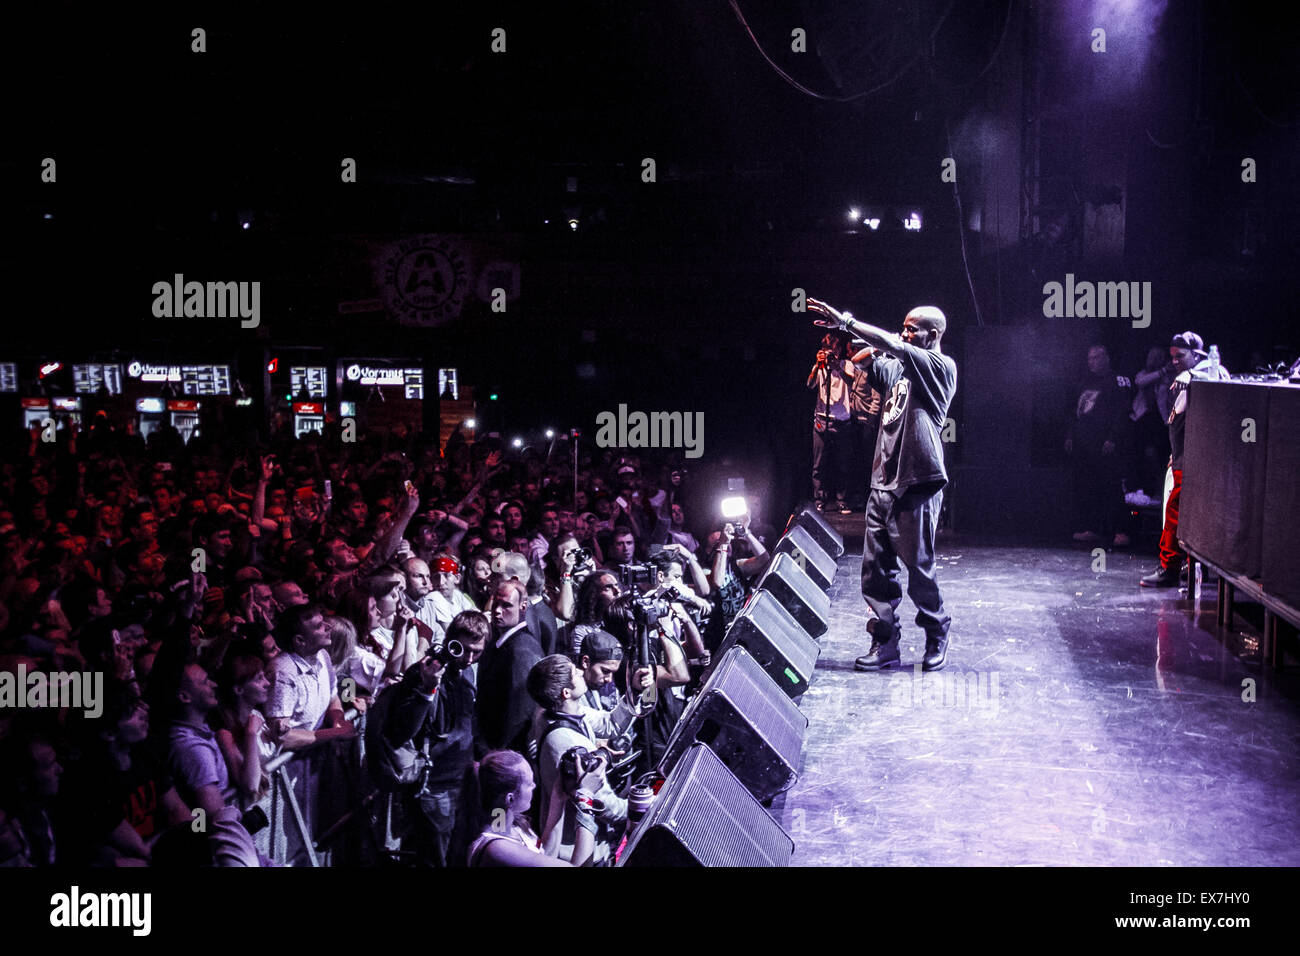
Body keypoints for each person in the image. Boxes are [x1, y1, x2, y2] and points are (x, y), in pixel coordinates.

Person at [807, 297, 958, 672]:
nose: (906, 332)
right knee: (876, 571)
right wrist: (847, 339)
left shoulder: (939, 367)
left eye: (913, 329)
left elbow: (892, 345)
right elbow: (865, 359)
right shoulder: (899, 370)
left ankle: (937, 631)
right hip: (883, 479)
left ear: (932, 334)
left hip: (917, 480)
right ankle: (885, 642)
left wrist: (847, 319)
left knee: (918, 566)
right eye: (904, 326)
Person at [374, 610, 488, 866]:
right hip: (432, 786)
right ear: (450, 641)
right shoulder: (421, 673)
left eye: (477, 651)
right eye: (464, 649)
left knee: (456, 854)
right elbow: (401, 731)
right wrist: (427, 690)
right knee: (434, 859)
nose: (469, 658)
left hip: (461, 780)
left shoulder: (466, 673)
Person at [526, 654, 648, 865]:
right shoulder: (565, 742)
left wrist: (634, 692)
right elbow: (604, 804)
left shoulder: (563, 712)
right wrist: (642, 810)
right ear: (566, 692)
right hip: (581, 852)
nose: (582, 672)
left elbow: (611, 724)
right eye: (575, 672)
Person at [1139, 331, 1232, 587]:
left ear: (1197, 356)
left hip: (1196, 462)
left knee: (1176, 512)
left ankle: (1170, 568)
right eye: (1172, 356)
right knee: (1184, 514)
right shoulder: (1187, 379)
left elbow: (1218, 373)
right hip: (1185, 457)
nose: (1175, 361)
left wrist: (1189, 375)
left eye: (1180, 356)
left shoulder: (1203, 374)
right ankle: (1186, 567)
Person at [1065, 345, 1132, 547]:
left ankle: (1121, 530)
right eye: (1089, 358)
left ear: (1106, 358)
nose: (1092, 362)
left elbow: (1123, 413)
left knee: (1111, 487)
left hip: (1107, 443)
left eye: (1096, 358)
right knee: (1088, 486)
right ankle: (1093, 528)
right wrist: (1070, 436)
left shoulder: (1117, 381)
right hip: (1085, 443)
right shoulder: (1084, 382)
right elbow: (1074, 412)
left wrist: (1112, 437)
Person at [463, 750, 566, 867]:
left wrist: (558, 799)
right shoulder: (498, 849)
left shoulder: (508, 826)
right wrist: (585, 801)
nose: (534, 786)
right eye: (529, 783)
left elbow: (544, 857)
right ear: (510, 799)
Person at [475, 580, 544, 753]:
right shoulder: (504, 642)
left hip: (505, 750)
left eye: (506, 605)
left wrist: (496, 751)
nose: (497, 611)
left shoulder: (521, 651)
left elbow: (519, 713)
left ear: (523, 606)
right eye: (495, 603)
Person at [807, 332, 855, 513]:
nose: (828, 352)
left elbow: (851, 382)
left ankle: (842, 500)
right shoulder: (820, 367)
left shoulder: (847, 364)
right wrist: (817, 367)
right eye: (825, 348)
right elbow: (810, 385)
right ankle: (820, 499)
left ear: (838, 349)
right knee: (819, 464)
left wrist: (837, 367)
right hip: (821, 419)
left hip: (842, 421)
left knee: (842, 464)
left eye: (831, 348)